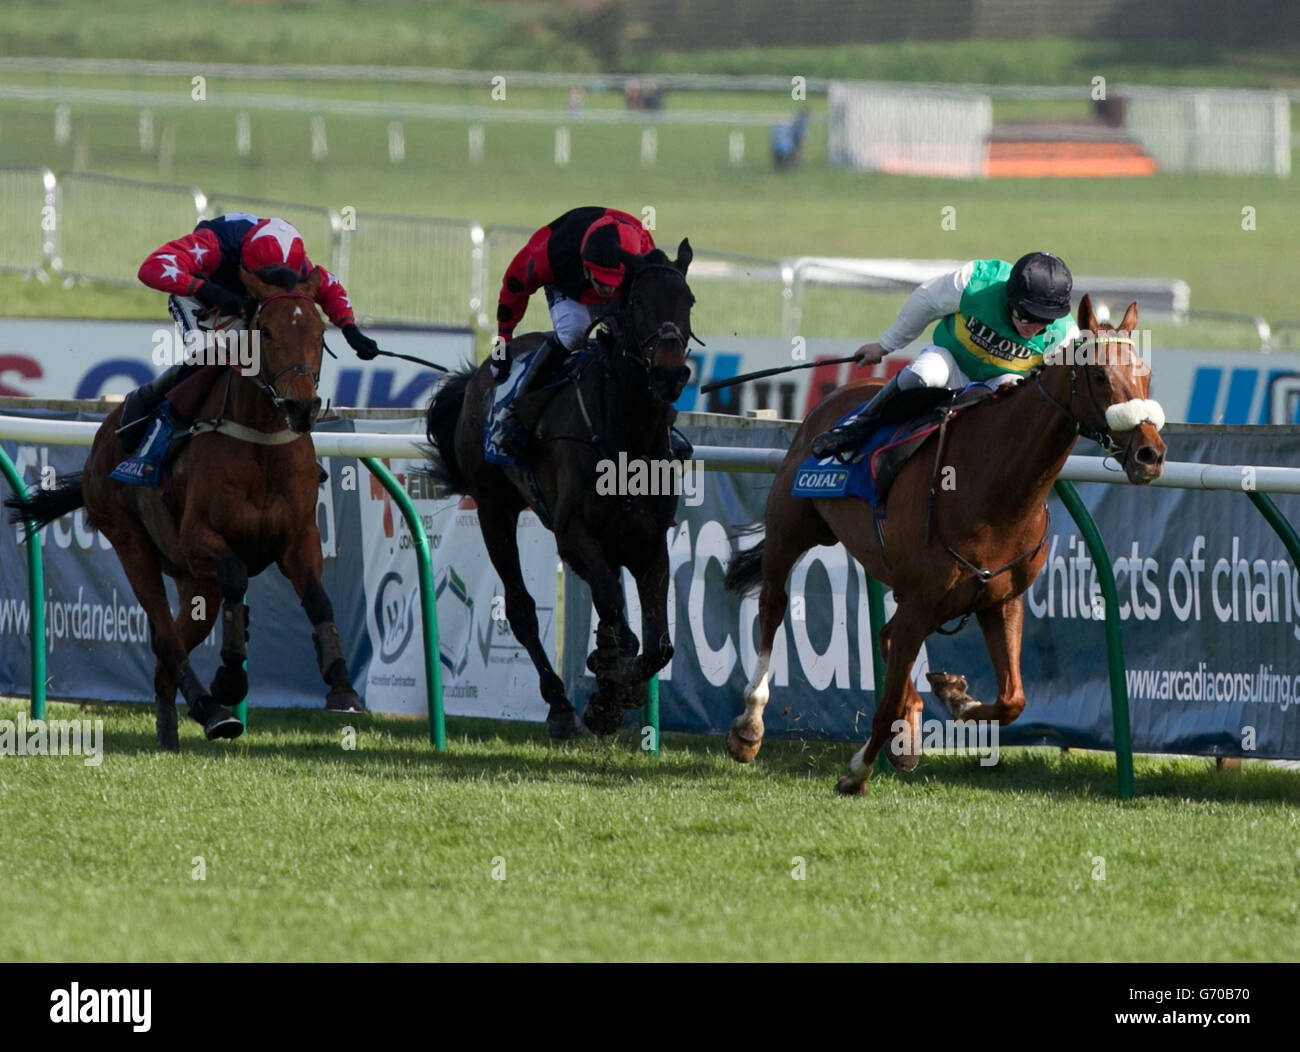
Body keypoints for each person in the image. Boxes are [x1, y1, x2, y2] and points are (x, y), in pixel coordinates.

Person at [121, 214, 379, 449]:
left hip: (251, 309)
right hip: (198, 301)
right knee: (208, 358)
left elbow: (329, 287)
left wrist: (350, 329)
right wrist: (206, 290)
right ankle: (155, 417)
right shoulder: (213, 242)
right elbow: (151, 268)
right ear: (245, 258)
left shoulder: (299, 265)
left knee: (267, 361)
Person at [810, 252, 1076, 460]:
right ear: (1010, 297)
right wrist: (884, 346)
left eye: (1045, 321)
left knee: (1010, 395)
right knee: (924, 374)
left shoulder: (1064, 335)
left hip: (1002, 380)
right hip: (951, 360)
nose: (1035, 328)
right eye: (1027, 316)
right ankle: (858, 427)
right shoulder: (977, 281)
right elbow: (925, 301)